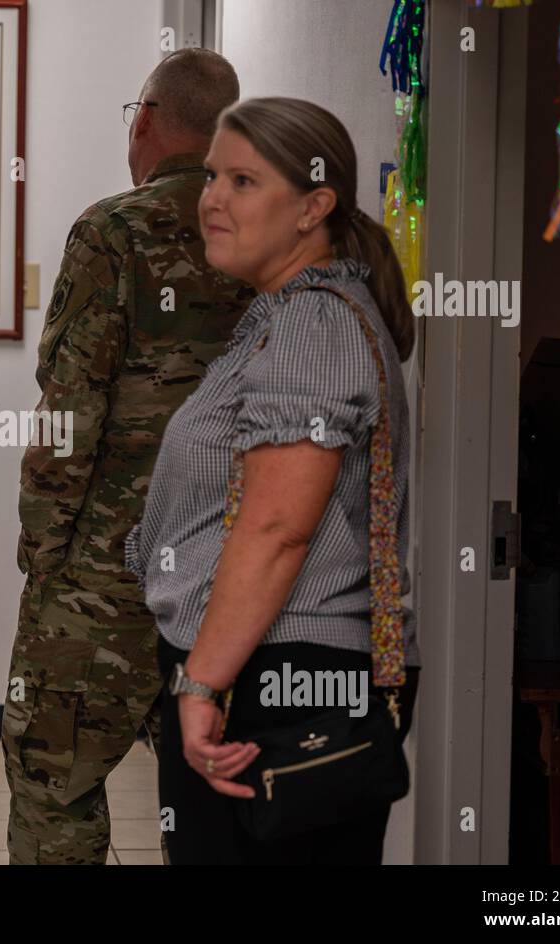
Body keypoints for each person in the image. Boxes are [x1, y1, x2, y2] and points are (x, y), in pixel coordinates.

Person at [126, 97, 421, 865]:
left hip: (278, 678)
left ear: (313, 206)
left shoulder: (311, 326)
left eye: (244, 181)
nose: (212, 197)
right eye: (215, 174)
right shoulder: (285, 314)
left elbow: (276, 528)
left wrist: (201, 686)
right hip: (269, 668)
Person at [3, 49, 252, 865]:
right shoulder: (269, 232)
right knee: (218, 794)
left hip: (105, 573)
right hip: (233, 575)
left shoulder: (114, 229)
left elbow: (69, 409)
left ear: (145, 119)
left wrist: (43, 553)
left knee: (56, 782)